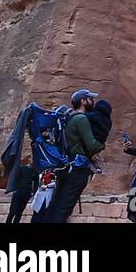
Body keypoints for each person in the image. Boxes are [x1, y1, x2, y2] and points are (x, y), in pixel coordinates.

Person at [46, 89, 105, 223]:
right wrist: (102, 145)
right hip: (77, 169)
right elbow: (92, 145)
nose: (92, 102)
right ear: (83, 101)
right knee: (65, 207)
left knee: (57, 203)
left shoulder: (68, 117)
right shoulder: (81, 119)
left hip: (65, 166)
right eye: (90, 99)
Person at [5, 157, 36, 224]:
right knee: (12, 211)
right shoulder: (21, 168)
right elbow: (15, 178)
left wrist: (33, 192)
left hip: (27, 193)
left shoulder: (34, 172)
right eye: (33, 159)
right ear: (29, 160)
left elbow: (36, 183)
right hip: (18, 192)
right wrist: (14, 189)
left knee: (19, 212)